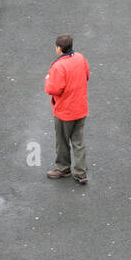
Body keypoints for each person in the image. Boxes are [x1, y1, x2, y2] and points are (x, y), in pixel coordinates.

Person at [44, 34, 90, 184]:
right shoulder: (80, 58)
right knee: (78, 141)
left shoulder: (59, 66)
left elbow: (53, 89)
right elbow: (87, 76)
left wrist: (47, 79)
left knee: (63, 141)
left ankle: (63, 168)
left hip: (65, 112)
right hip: (81, 108)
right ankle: (80, 173)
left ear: (59, 48)